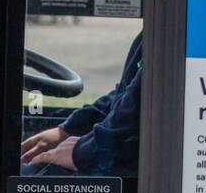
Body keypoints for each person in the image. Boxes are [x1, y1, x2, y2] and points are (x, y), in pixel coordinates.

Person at [21, 30, 142, 176]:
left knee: (17, 177)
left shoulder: (166, 32)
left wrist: (84, 151)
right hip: (113, 150)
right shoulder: (153, 30)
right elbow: (124, 94)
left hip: (127, 169)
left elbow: (140, 100)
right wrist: (70, 129)